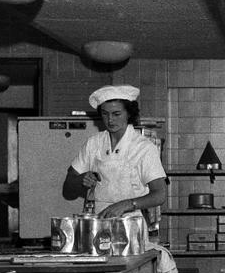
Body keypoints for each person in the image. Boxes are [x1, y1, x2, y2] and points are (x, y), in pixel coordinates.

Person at [62, 84, 167, 225]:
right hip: (98, 221)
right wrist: (80, 179)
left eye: (116, 114)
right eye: (105, 114)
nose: (110, 120)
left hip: (131, 223)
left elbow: (160, 194)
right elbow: (68, 185)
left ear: (129, 113)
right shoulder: (94, 143)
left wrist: (127, 204)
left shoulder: (143, 148)